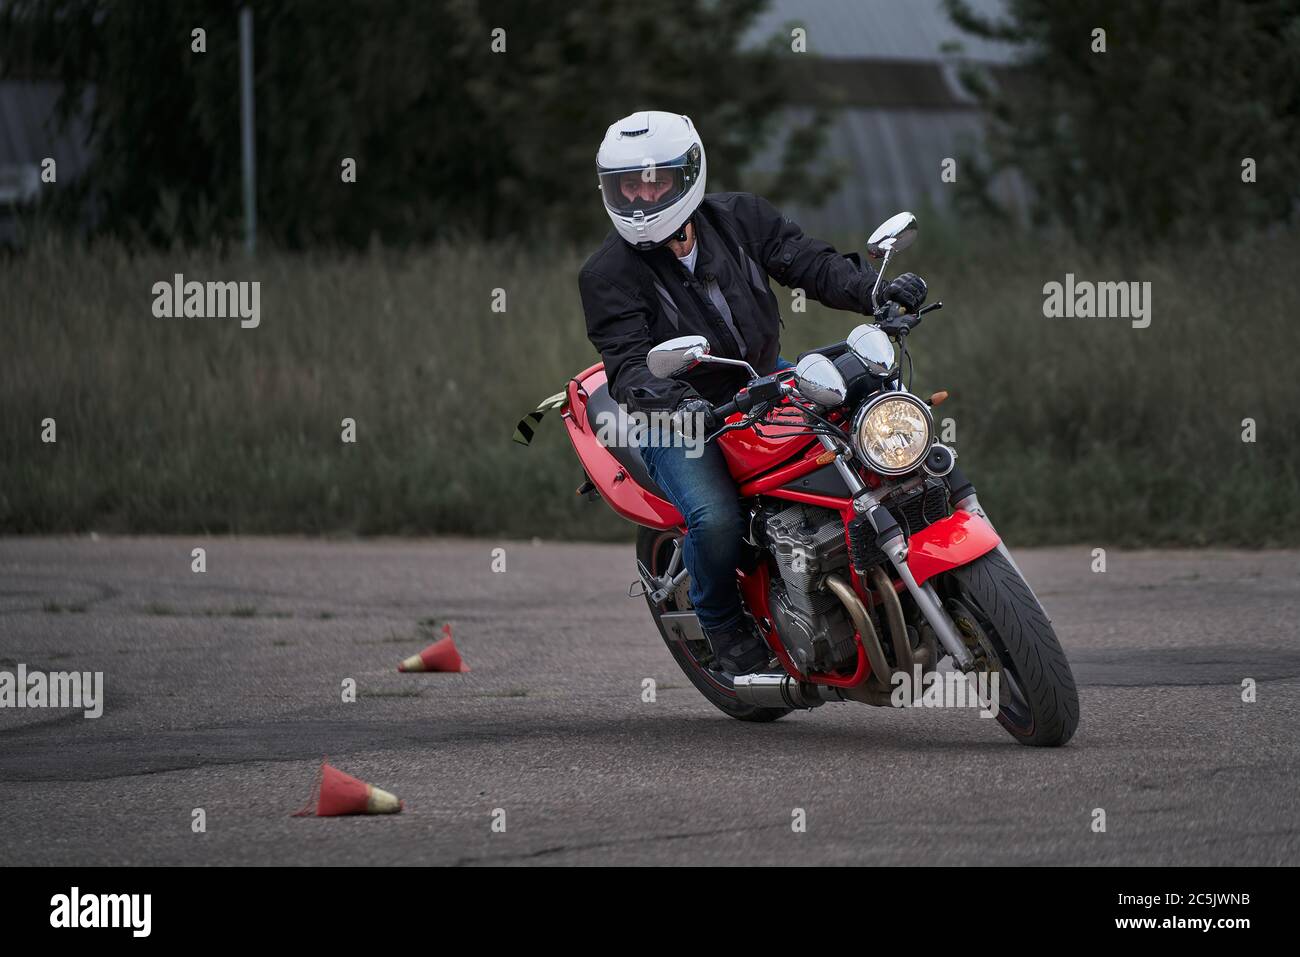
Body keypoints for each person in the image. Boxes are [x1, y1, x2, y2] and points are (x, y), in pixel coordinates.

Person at [579, 110, 927, 675]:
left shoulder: (740, 217)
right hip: (677, 412)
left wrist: (877, 290)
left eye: (656, 181)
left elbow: (809, 263)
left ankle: (875, 571)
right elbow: (626, 362)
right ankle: (720, 622)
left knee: (865, 443)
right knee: (714, 516)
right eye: (629, 185)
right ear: (610, 189)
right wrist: (669, 399)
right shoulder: (606, 273)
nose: (643, 196)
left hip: (762, 376)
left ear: (687, 176)